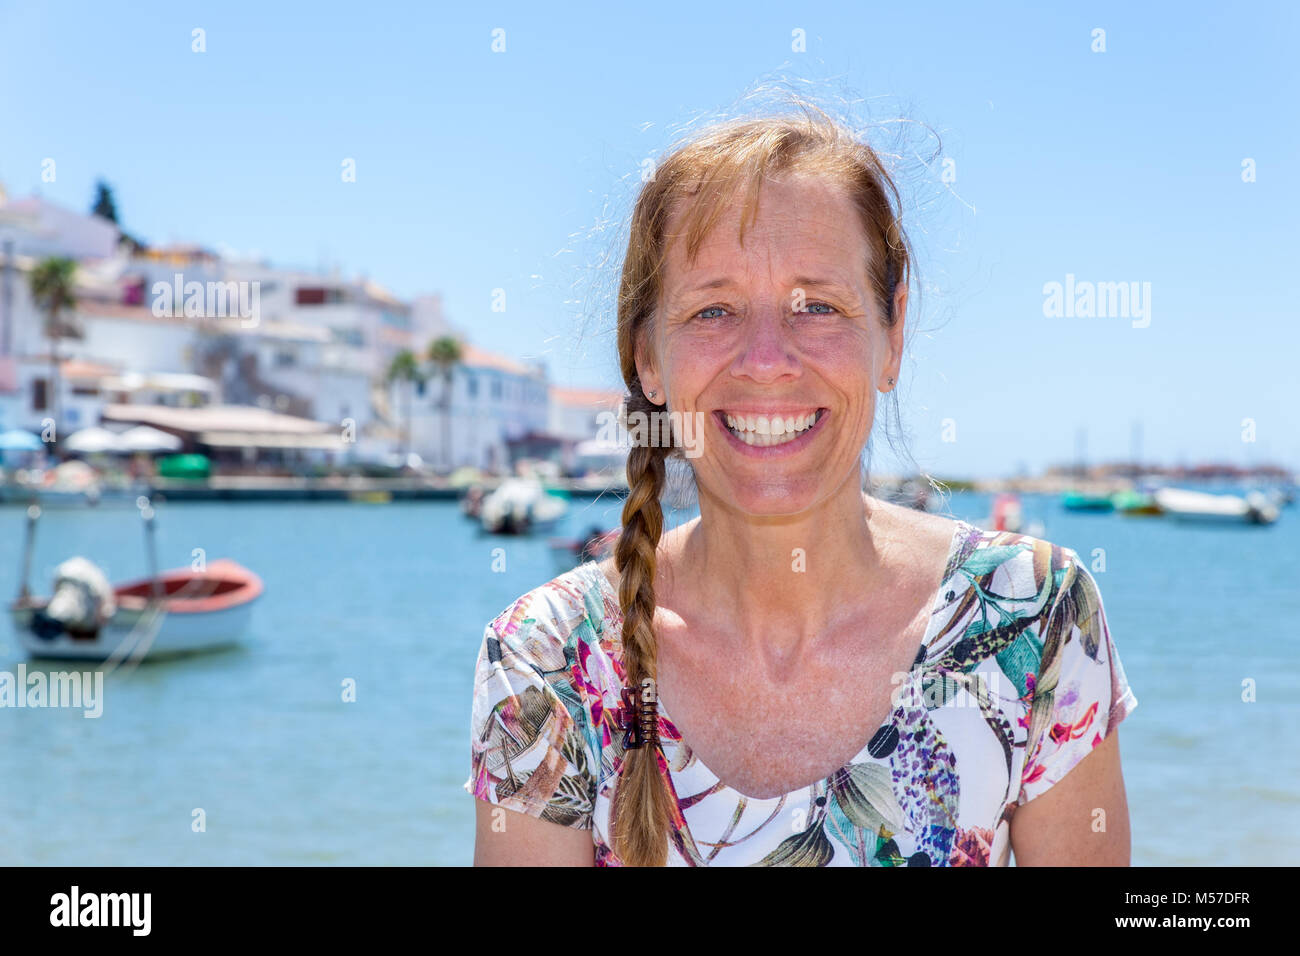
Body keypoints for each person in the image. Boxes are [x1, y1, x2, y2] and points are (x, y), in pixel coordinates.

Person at [465, 97, 1137, 866]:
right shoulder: (546, 661)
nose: (766, 360)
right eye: (713, 310)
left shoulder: (1032, 616)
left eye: (816, 305)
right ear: (647, 359)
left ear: (892, 334)